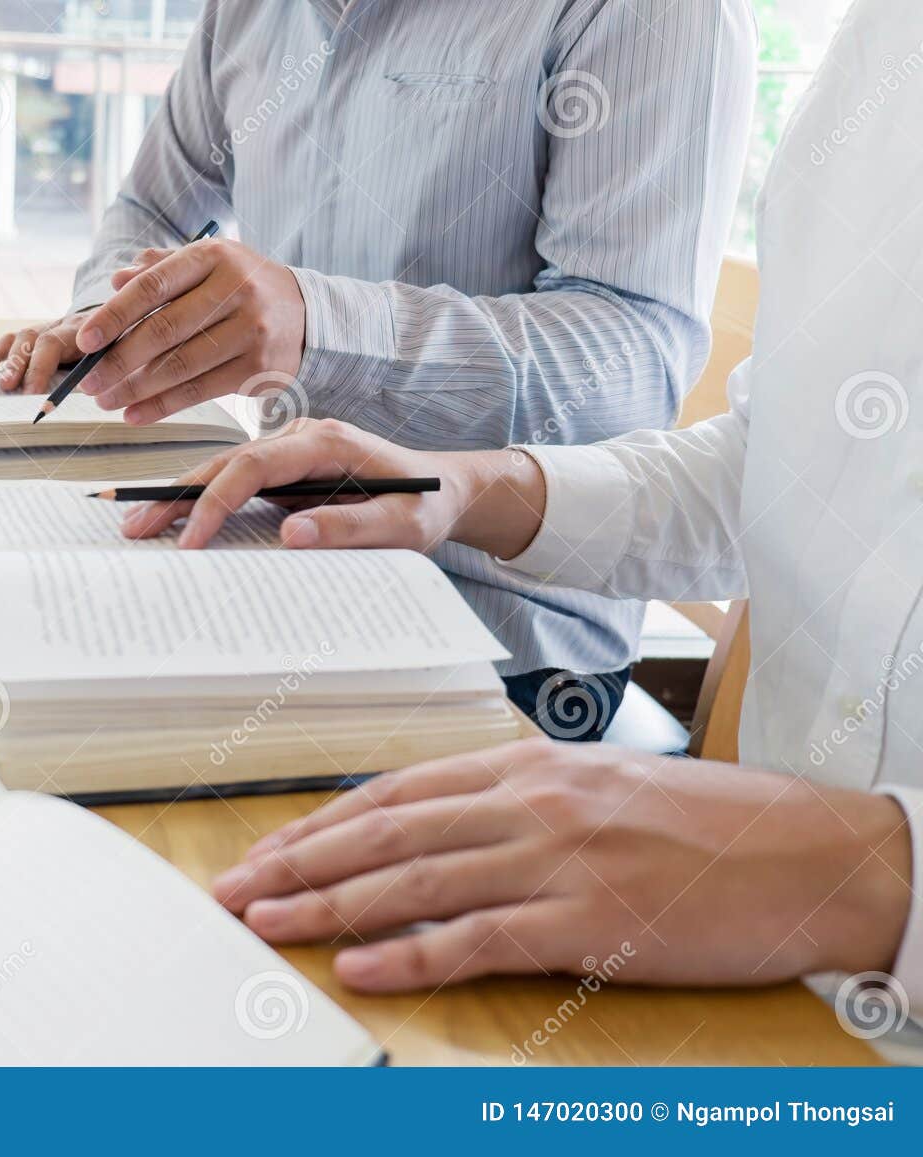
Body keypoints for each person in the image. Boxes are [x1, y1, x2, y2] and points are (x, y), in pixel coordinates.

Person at [118, 0, 923, 1036]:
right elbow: (779, 471)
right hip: (756, 961)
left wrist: (865, 870)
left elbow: (637, 362)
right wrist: (465, 490)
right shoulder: (879, 52)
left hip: (754, 898)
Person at [0, 0, 756, 737]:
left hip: (501, 632)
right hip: (275, 550)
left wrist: (318, 326)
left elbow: (630, 365)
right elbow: (152, 210)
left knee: (78, 752)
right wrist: (110, 315)